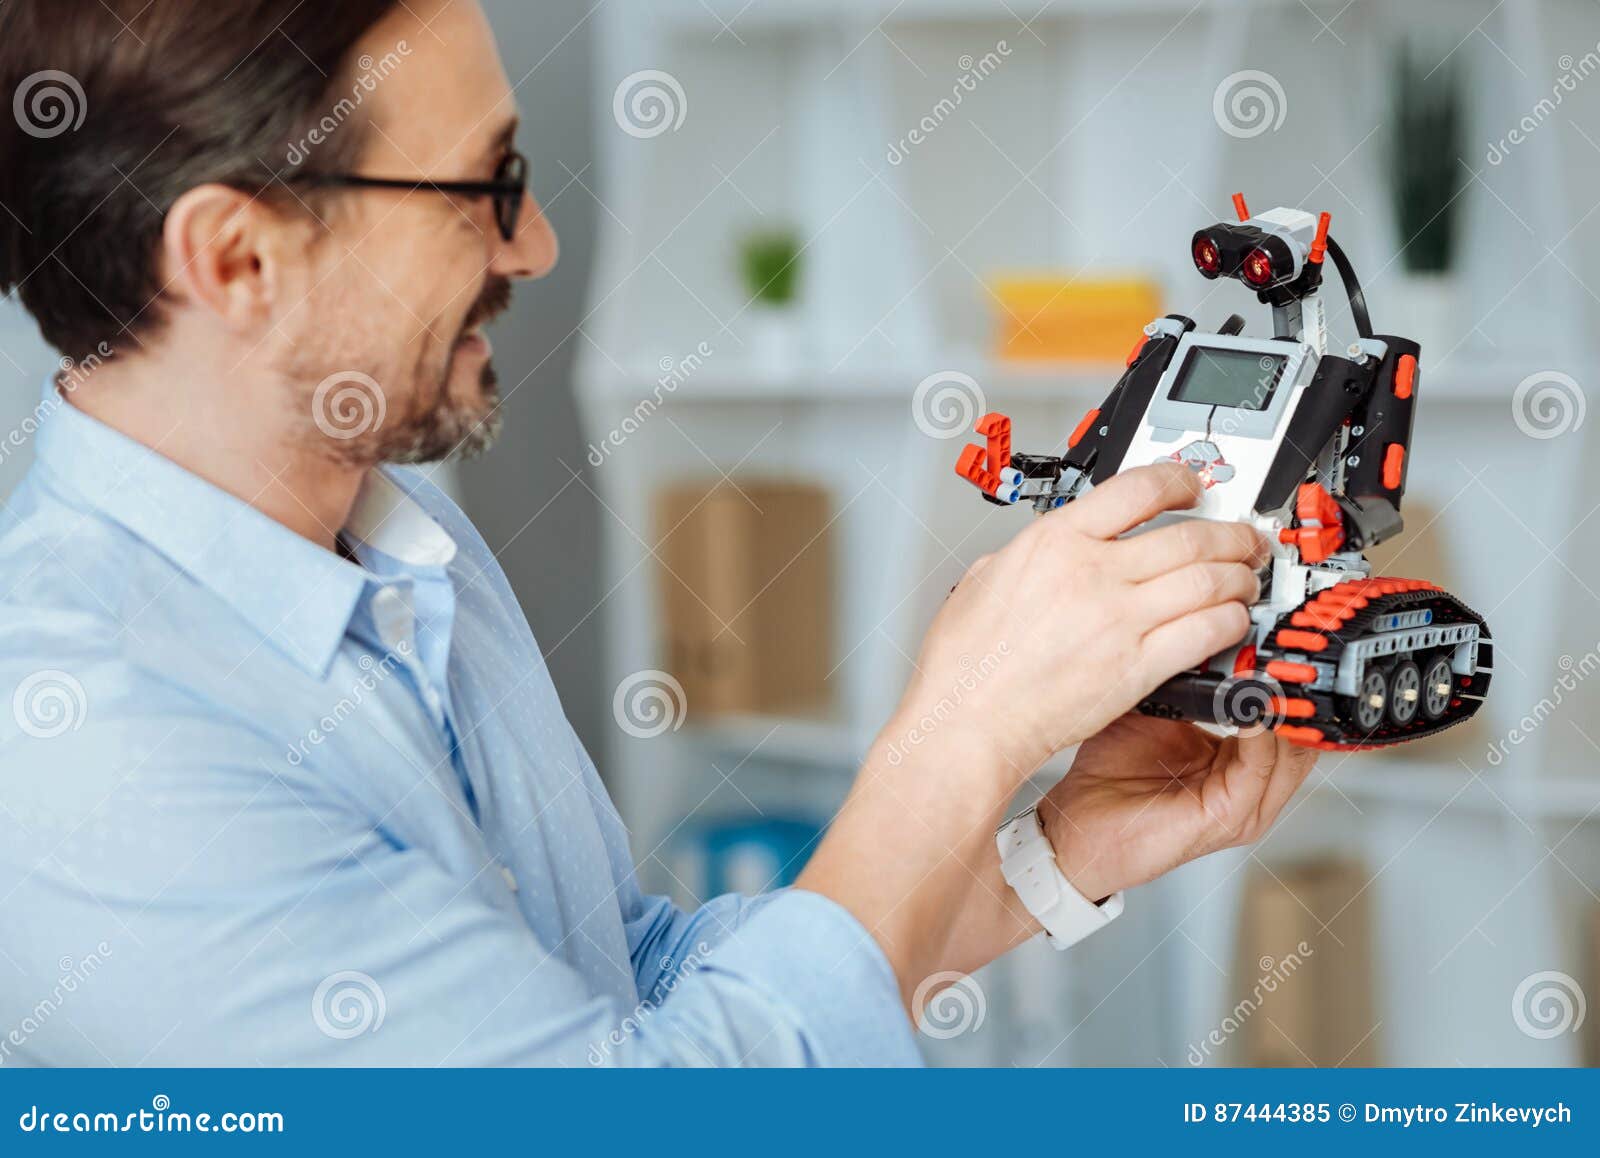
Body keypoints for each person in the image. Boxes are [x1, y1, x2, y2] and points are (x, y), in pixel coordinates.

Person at [0, 0, 1314, 1065]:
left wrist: (1053, 849)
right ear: (235, 259)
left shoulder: (395, 556)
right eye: (486, 186)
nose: (538, 244)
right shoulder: (86, 738)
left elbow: (631, 996)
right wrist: (960, 732)